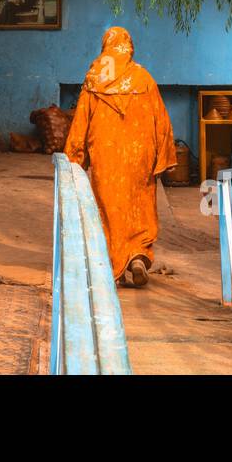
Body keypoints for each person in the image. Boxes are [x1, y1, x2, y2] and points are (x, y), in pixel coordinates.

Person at [64, 26, 177, 288]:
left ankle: (113, 262)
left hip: (107, 157)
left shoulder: (94, 78)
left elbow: (81, 121)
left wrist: (75, 158)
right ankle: (137, 256)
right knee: (139, 206)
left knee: (109, 208)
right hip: (140, 158)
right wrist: (164, 156)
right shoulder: (143, 78)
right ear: (129, 47)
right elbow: (162, 122)